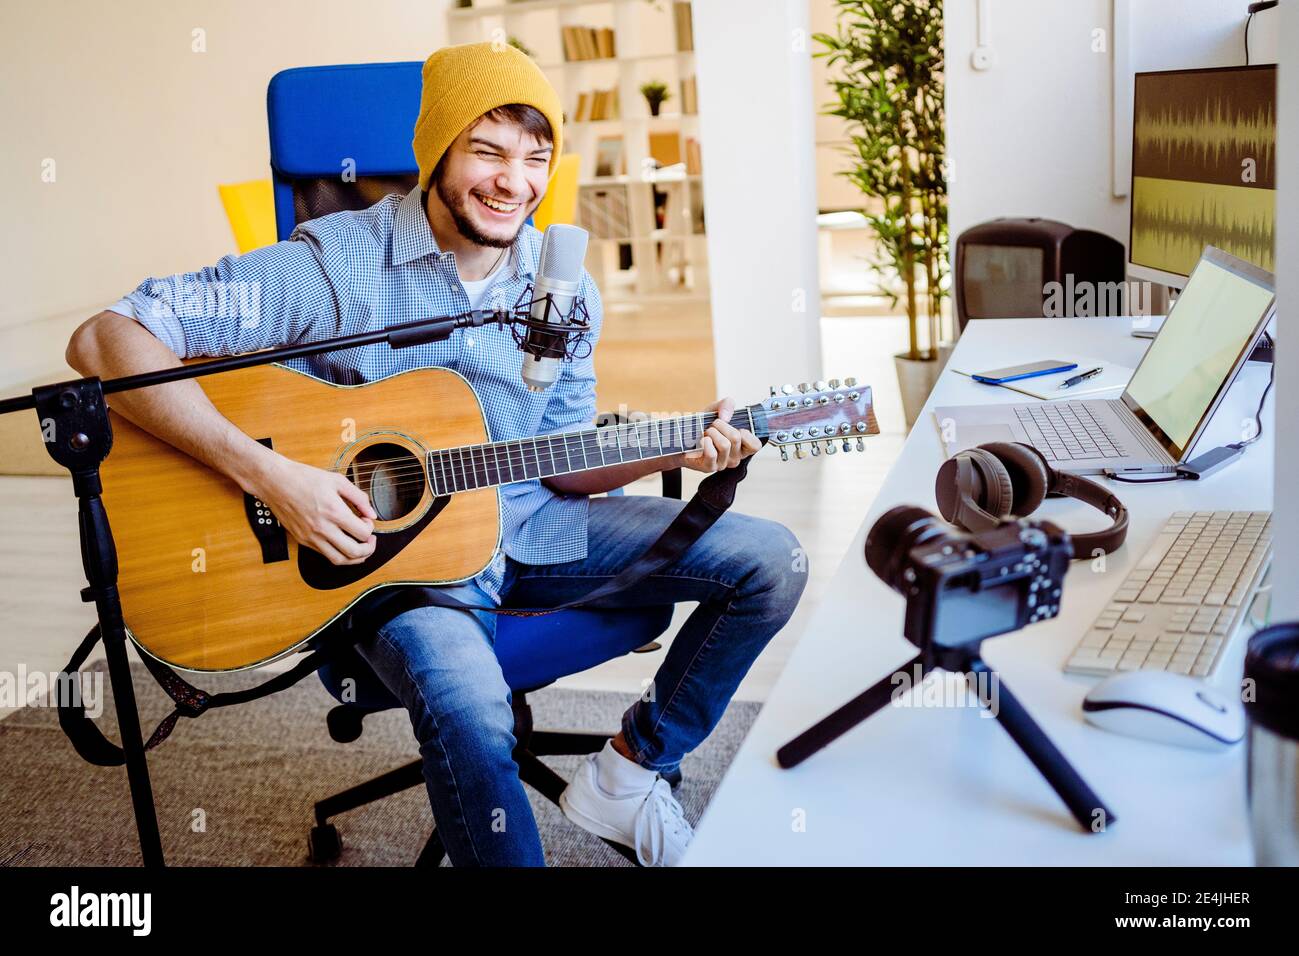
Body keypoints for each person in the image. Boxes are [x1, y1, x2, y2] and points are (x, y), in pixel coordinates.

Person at [66, 42, 806, 867]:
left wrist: (681, 443)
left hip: (533, 523)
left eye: (535, 157)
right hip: (393, 564)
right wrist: (272, 474)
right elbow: (107, 337)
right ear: (437, 153)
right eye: (487, 150)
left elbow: (559, 460)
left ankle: (631, 772)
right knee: (469, 702)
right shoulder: (335, 264)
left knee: (773, 562)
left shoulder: (561, 284)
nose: (513, 181)